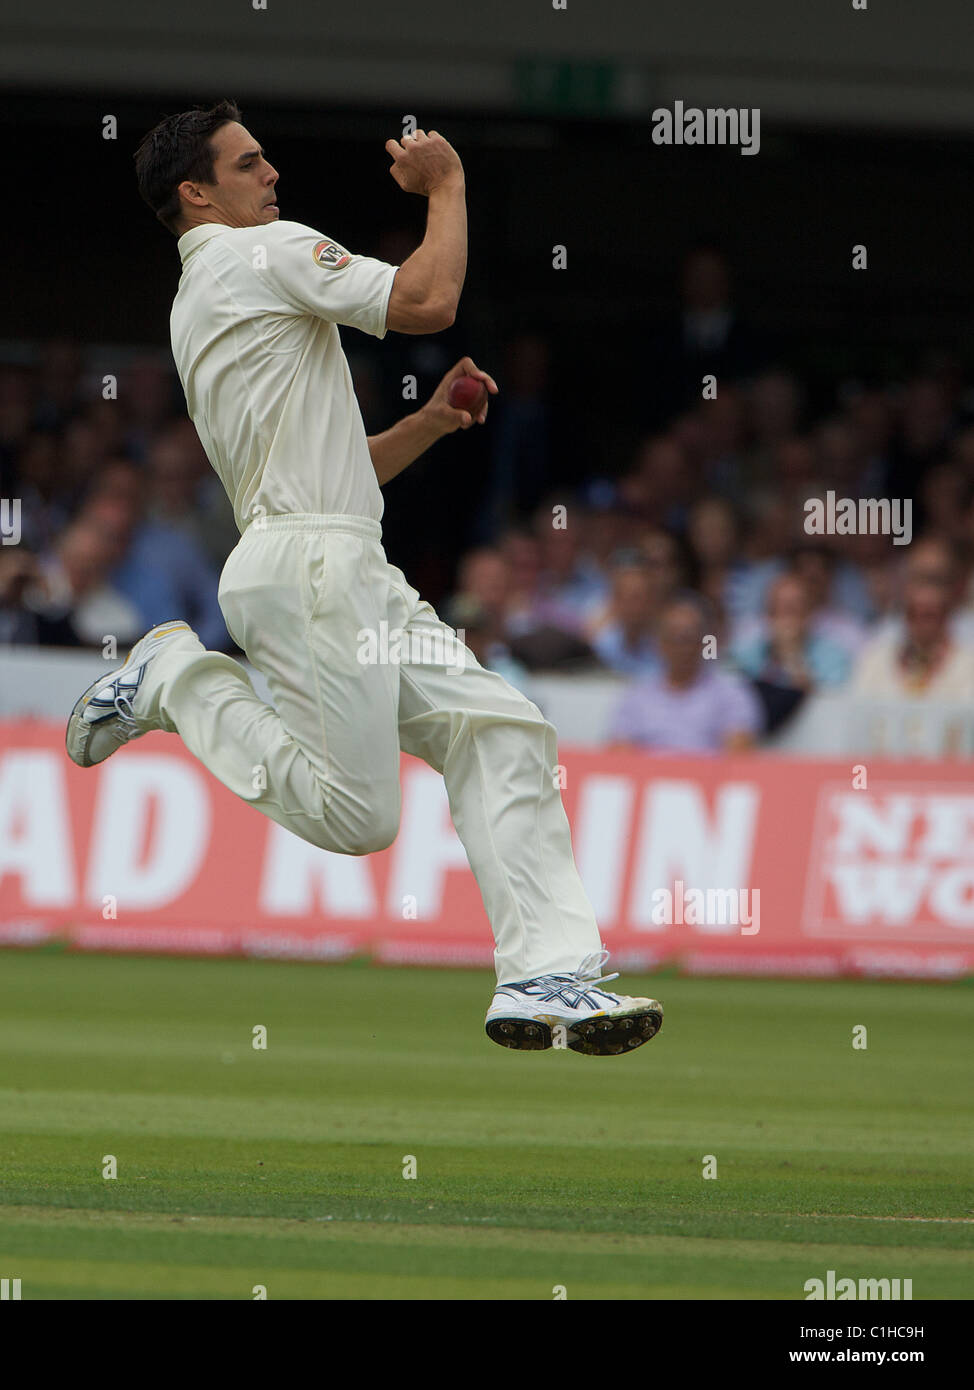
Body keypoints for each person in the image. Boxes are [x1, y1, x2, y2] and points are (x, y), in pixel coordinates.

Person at [66, 100, 661, 1056]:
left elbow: (332, 480)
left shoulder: (201, 296)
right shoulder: (260, 255)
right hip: (314, 568)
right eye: (249, 163)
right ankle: (177, 680)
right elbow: (427, 303)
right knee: (360, 819)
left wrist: (425, 423)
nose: (272, 175)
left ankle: (547, 975)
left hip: (324, 552)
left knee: (501, 731)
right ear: (197, 193)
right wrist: (450, 186)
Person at [607, 592, 762, 753]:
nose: (680, 646)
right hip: (649, 776)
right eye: (672, 637)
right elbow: (619, 756)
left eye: (688, 637)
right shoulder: (636, 696)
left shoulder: (732, 694)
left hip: (710, 776)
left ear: (704, 641)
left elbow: (739, 756)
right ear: (659, 642)